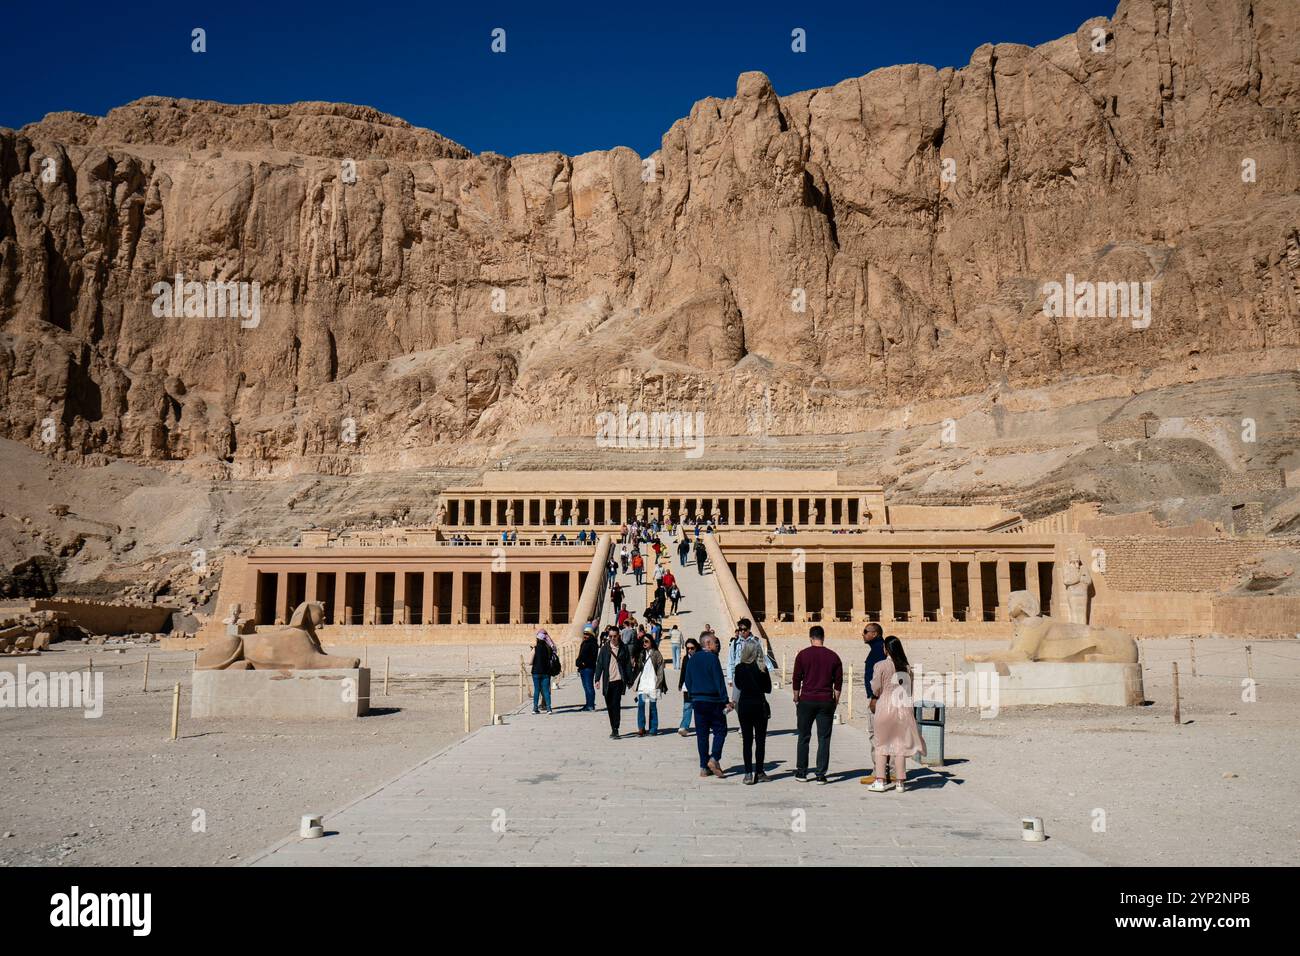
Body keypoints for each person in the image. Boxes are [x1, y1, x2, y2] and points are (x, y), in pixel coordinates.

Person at [866, 636, 926, 792]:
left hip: (885, 707)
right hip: (902, 709)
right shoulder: (906, 668)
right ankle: (900, 782)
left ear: (886, 649)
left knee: (881, 745)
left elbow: (876, 688)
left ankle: (880, 781)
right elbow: (909, 691)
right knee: (899, 746)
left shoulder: (881, 665)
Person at [791, 625, 842, 783]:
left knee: (804, 736)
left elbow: (796, 678)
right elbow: (838, 682)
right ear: (823, 637)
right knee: (824, 738)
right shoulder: (833, 656)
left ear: (811, 638)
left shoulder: (803, 655)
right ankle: (820, 774)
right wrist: (836, 700)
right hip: (826, 700)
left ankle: (802, 772)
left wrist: (796, 696)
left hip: (806, 699)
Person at [684, 633, 730, 778]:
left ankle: (704, 767)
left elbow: (688, 680)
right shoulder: (712, 658)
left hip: (698, 701)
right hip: (714, 701)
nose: (717, 645)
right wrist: (726, 700)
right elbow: (719, 681)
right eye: (715, 643)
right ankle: (714, 758)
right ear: (708, 643)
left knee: (702, 735)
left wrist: (693, 695)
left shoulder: (692, 659)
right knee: (720, 730)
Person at [731, 638, 772, 784]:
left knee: (747, 741)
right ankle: (759, 771)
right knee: (760, 741)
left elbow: (738, 685)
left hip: (744, 707)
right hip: (759, 706)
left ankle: (748, 773)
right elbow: (768, 689)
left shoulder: (739, 668)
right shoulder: (762, 669)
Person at [859, 622, 893, 785]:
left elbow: (879, 676)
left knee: (876, 736)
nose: (863, 634)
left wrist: (874, 697)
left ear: (875, 633)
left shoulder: (879, 649)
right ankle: (892, 771)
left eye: (866, 631)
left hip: (878, 699)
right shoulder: (879, 648)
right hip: (888, 699)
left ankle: (877, 772)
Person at [594, 630, 632, 738]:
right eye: (610, 636)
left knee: (616, 704)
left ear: (618, 636)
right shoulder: (605, 648)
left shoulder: (623, 648)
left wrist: (630, 679)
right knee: (609, 705)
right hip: (607, 681)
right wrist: (597, 679)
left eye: (614, 636)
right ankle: (613, 727)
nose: (612, 638)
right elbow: (600, 664)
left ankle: (616, 728)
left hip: (618, 681)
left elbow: (627, 664)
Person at [629, 632, 668, 736]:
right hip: (643, 684)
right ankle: (641, 728)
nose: (644, 643)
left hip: (653, 684)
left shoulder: (656, 653)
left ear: (651, 642)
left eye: (646, 641)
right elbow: (637, 669)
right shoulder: (641, 654)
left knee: (652, 706)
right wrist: (631, 680)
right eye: (643, 641)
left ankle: (653, 728)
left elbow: (660, 670)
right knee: (641, 705)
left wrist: (658, 684)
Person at [530, 630, 557, 715]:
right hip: (546, 672)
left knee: (537, 690)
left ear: (537, 639)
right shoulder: (548, 648)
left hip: (536, 672)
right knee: (546, 690)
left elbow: (530, 662)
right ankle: (549, 709)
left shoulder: (535, 648)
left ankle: (535, 708)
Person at [677, 637, 699, 735]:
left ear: (696, 647)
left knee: (698, 707)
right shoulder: (686, 658)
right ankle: (684, 727)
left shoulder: (700, 657)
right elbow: (683, 671)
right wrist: (680, 683)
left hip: (698, 686)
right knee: (687, 706)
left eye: (692, 648)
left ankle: (701, 726)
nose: (689, 650)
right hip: (687, 686)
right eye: (688, 648)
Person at [576, 626, 599, 711]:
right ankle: (588, 704)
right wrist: (578, 663)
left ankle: (591, 705)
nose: (585, 635)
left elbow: (593, 657)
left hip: (588, 668)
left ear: (591, 635)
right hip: (582, 668)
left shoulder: (593, 644)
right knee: (586, 687)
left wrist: (584, 663)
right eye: (584, 634)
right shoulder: (584, 643)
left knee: (589, 687)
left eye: (587, 634)